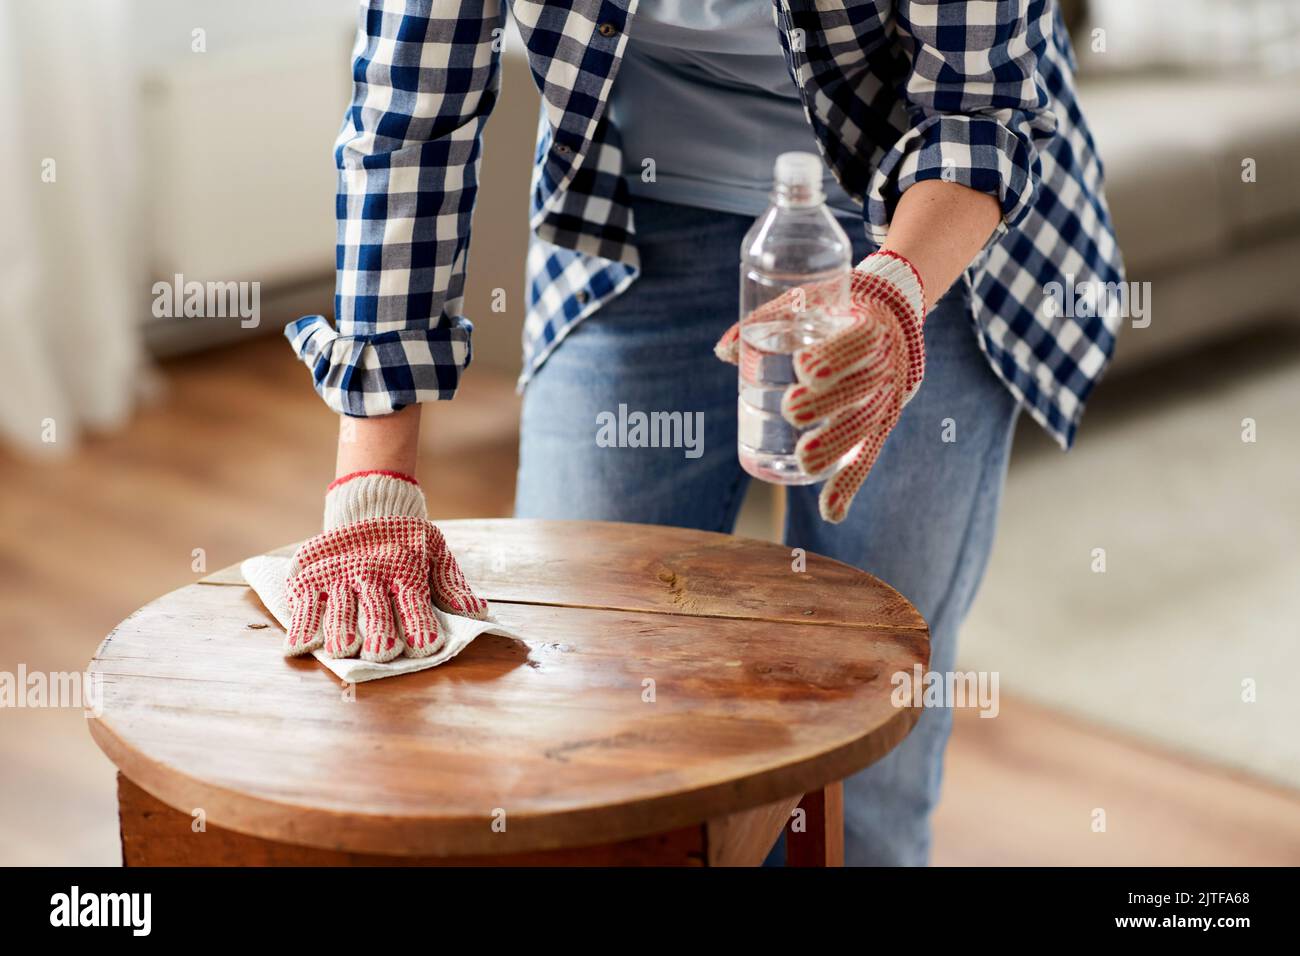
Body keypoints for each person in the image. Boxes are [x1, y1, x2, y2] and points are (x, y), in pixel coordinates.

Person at [282, 0, 1123, 865]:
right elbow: (409, 109)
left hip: (921, 232)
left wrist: (894, 294)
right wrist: (372, 483)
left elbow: (978, 108)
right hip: (636, 219)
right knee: (584, 718)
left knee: (864, 747)